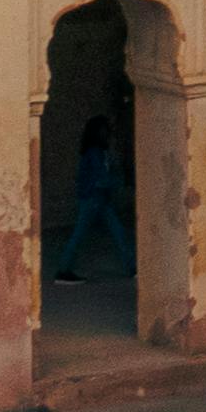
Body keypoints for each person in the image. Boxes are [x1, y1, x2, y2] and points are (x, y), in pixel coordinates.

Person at [51, 107, 127, 282]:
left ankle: (132, 267)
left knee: (117, 232)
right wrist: (117, 182)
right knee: (82, 234)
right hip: (93, 198)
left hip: (97, 198)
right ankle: (63, 270)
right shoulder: (95, 153)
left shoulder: (97, 152)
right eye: (105, 130)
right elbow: (100, 178)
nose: (108, 133)